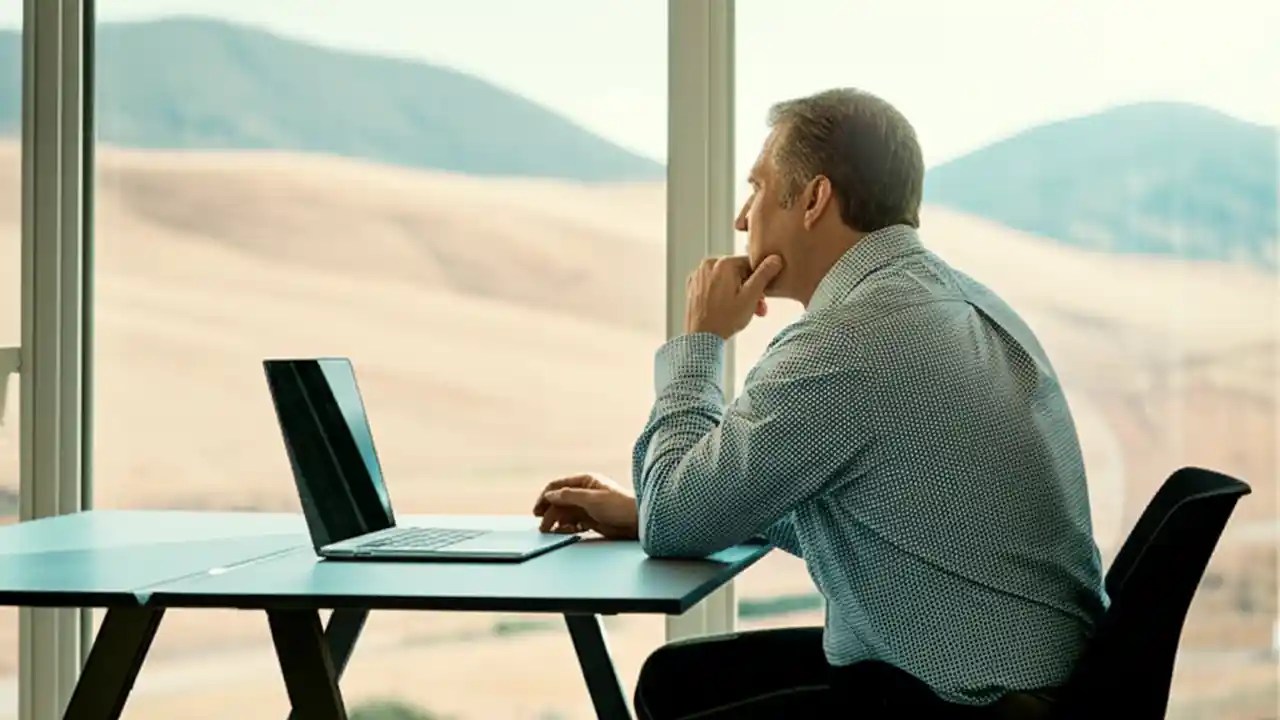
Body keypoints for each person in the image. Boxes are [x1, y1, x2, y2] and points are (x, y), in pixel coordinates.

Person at [532, 88, 1109, 718]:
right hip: (1044, 682)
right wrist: (649, 511)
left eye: (756, 187)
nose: (742, 218)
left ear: (814, 200)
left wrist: (699, 341)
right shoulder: (951, 299)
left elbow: (678, 524)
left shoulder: (851, 339)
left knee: (676, 694)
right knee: (675, 681)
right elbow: (881, 513)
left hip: (968, 701)